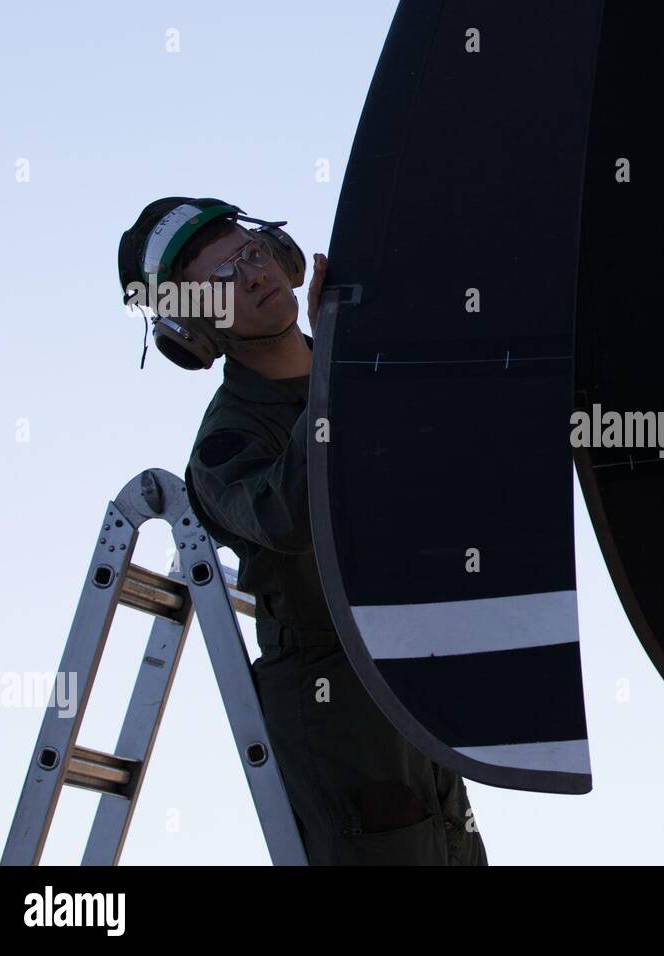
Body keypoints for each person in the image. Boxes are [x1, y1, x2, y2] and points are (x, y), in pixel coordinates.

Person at [117, 197, 487, 865]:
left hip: (411, 688)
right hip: (335, 711)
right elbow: (290, 511)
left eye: (251, 254)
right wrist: (340, 368)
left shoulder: (364, 366)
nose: (252, 275)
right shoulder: (225, 444)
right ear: (194, 325)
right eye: (219, 278)